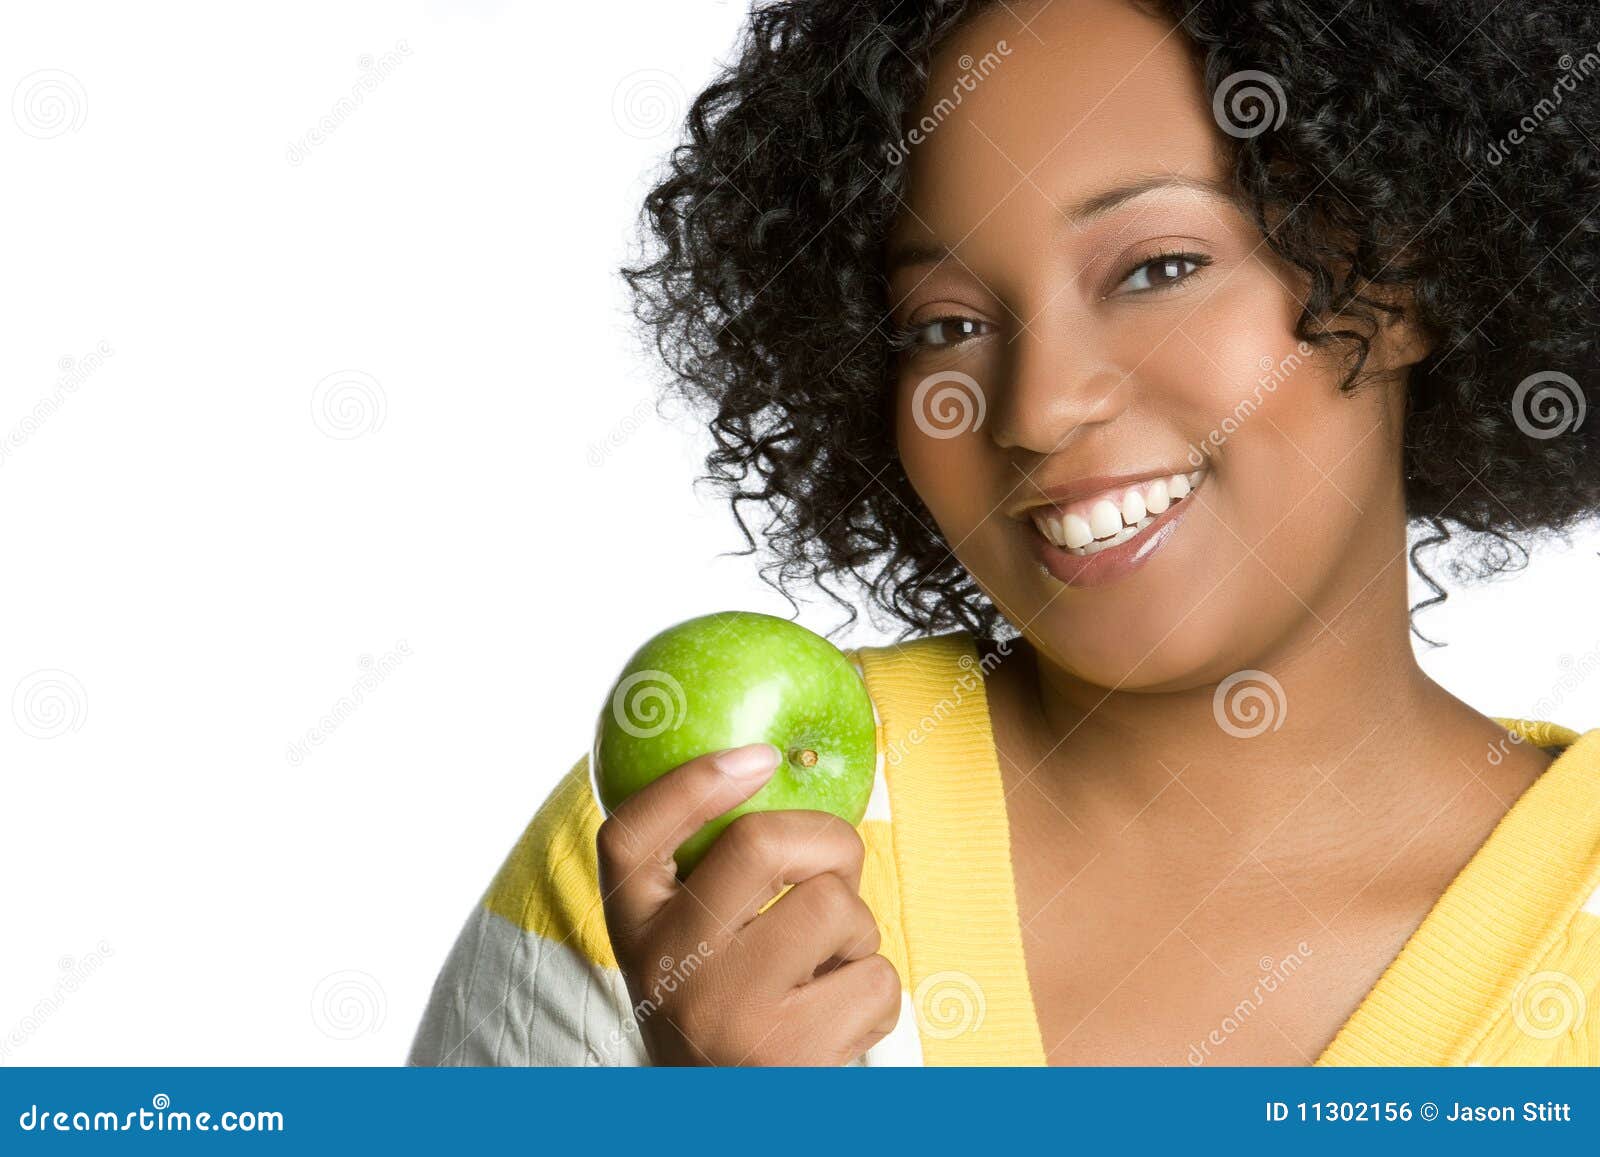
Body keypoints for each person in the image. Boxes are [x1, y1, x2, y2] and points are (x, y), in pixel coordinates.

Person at [411, 0, 1600, 1066]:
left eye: (1157, 267)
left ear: (1398, 285)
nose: (1034, 407)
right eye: (943, 326)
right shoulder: (697, 860)